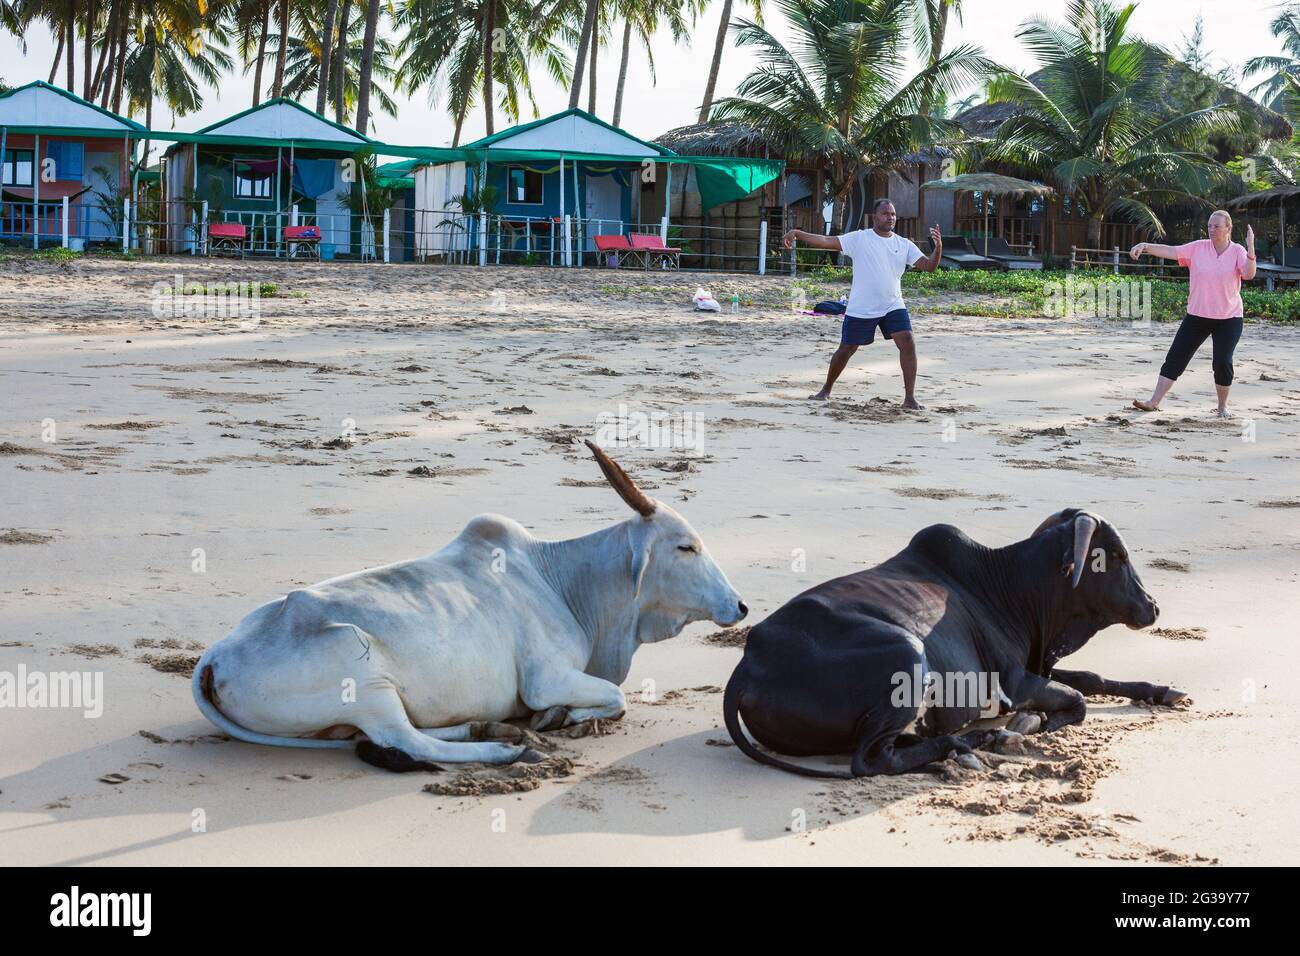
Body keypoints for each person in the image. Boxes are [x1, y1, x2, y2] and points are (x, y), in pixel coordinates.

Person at [783, 200, 942, 409]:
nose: (890, 217)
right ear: (874, 217)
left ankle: (909, 398)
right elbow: (824, 240)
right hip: (862, 306)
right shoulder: (860, 238)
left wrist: (938, 247)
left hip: (893, 304)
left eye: (893, 214)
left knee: (908, 341)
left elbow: (929, 266)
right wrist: (797, 233)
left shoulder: (904, 244)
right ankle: (826, 390)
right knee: (847, 348)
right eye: (885, 214)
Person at [1129, 211, 1256, 417]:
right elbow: (1172, 251)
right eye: (1209, 226)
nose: (1211, 229)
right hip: (1197, 316)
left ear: (1228, 229)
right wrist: (1145, 246)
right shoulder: (1198, 248)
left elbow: (1249, 274)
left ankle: (1222, 407)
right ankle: (1153, 402)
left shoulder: (1238, 251)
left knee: (1222, 362)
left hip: (1229, 318)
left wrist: (1250, 248)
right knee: (1175, 358)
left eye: (1216, 226)